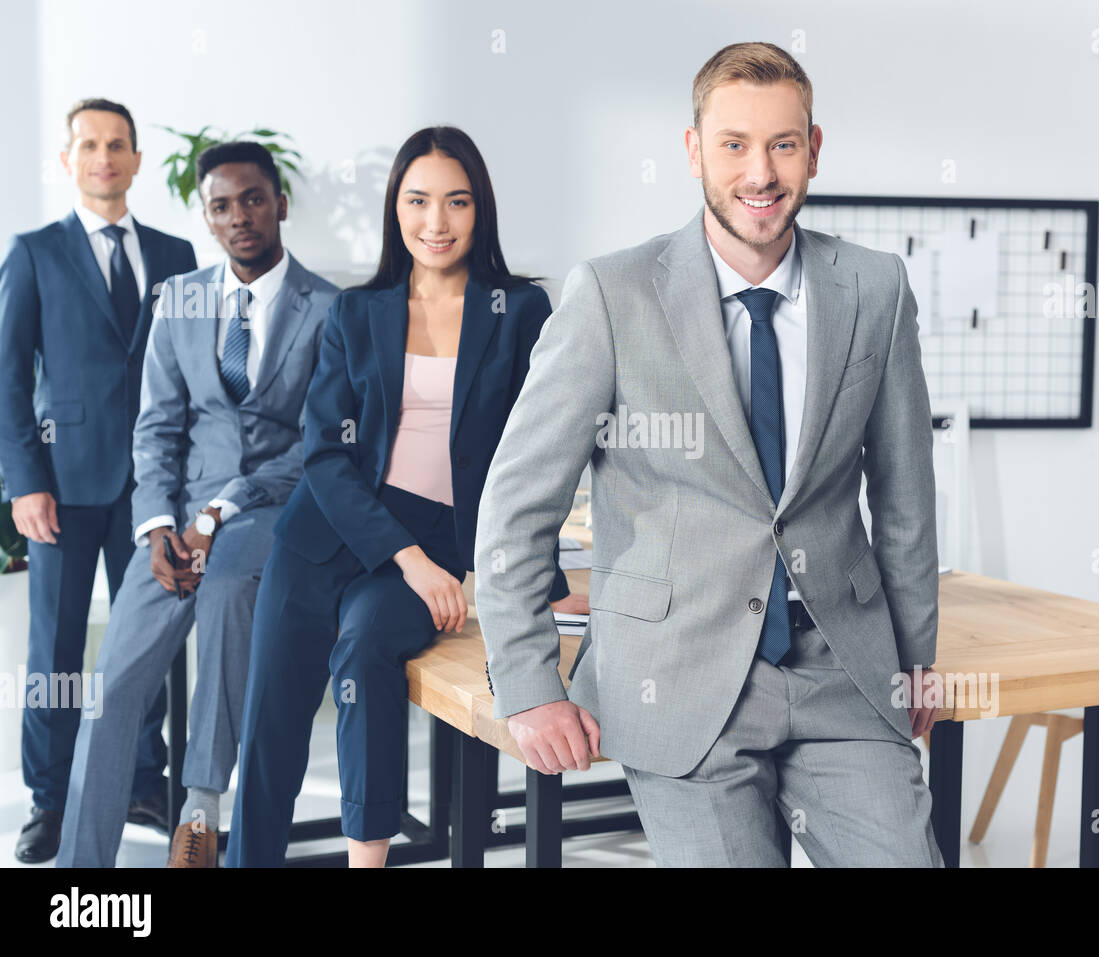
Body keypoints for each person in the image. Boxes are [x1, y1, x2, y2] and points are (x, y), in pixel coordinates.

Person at [474, 42, 946, 866]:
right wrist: (527, 685)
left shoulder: (875, 288)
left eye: (783, 144)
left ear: (814, 148)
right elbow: (518, 504)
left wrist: (918, 658)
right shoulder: (610, 295)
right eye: (734, 144)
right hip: (679, 681)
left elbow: (904, 495)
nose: (759, 172)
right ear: (694, 150)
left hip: (844, 675)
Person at [227, 126, 586, 868]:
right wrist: (409, 557)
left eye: (456, 201)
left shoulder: (519, 311)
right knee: (271, 728)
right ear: (396, 208)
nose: (437, 221)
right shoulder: (357, 313)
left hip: (439, 545)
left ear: (479, 210)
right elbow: (325, 453)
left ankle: (368, 861)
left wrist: (535, 577)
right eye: (418, 200)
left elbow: (537, 458)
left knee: (364, 652)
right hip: (325, 535)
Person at [55, 142, 339, 867]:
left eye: (252, 198)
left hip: (270, 512)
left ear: (280, 203)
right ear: (206, 218)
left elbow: (318, 444)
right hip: (174, 522)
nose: (239, 216)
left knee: (224, 599)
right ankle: (80, 871)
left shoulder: (331, 309)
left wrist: (219, 511)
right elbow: (155, 428)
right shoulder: (179, 298)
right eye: (221, 205)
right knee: (110, 689)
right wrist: (156, 526)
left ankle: (200, 813)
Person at [0, 99, 197, 864]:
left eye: (118, 144)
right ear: (68, 160)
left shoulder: (179, 257)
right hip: (63, 484)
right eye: (89, 144)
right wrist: (24, 482)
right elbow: (10, 380)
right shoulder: (35, 252)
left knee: (146, 638)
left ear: (139, 160)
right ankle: (50, 799)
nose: (104, 156)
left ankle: (145, 776)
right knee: (54, 650)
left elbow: (192, 375)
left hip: (154, 487)